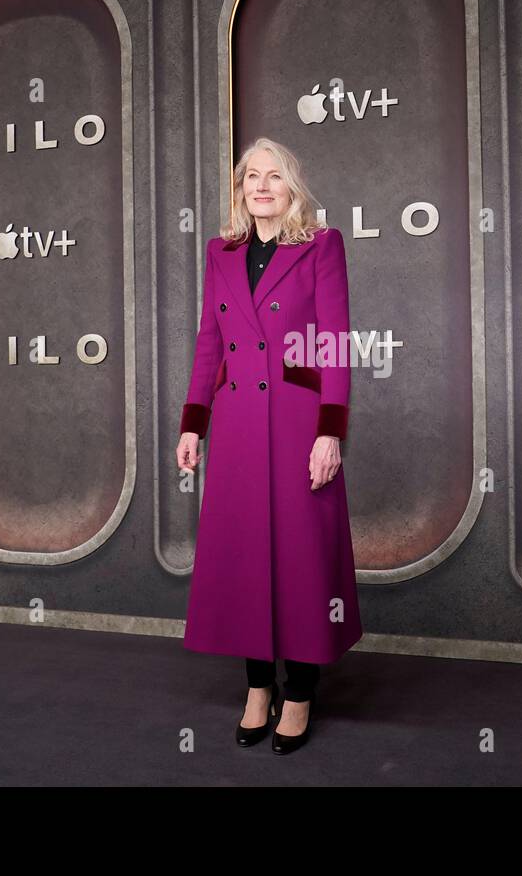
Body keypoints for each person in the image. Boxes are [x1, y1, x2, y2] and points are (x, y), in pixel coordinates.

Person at [175, 137, 362, 754]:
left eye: (273, 176)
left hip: (297, 420)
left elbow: (334, 341)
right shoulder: (220, 252)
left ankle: (301, 692)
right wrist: (192, 424)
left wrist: (330, 431)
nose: (261, 186)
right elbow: (210, 343)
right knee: (245, 557)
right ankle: (258, 688)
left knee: (302, 558)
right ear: (240, 190)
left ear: (292, 188)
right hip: (236, 426)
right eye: (250, 176)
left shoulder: (320, 245)